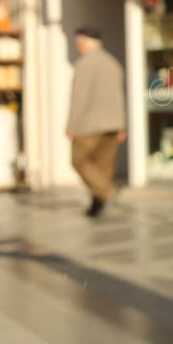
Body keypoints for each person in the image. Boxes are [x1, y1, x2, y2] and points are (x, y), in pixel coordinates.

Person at [67, 26, 126, 217]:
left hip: (89, 125)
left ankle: (106, 191)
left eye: (78, 43)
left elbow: (79, 97)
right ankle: (97, 205)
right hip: (112, 123)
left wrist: (71, 125)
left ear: (84, 42)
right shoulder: (113, 63)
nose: (77, 47)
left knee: (79, 161)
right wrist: (121, 124)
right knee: (103, 167)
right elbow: (119, 96)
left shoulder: (85, 64)